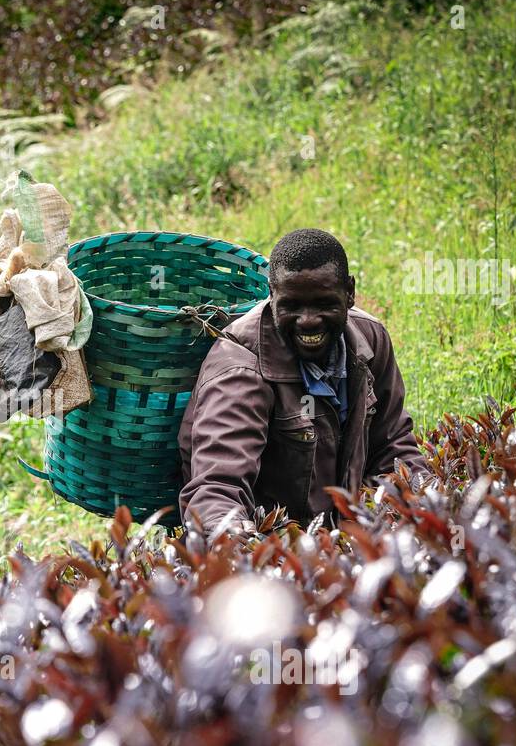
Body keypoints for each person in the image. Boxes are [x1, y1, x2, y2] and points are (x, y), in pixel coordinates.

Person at [178, 227, 424, 531]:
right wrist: (238, 545)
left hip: (344, 543)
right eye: (291, 306)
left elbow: (394, 445)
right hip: (281, 551)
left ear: (349, 293)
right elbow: (217, 487)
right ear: (271, 296)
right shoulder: (241, 369)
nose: (308, 321)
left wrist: (418, 504)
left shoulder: (370, 340)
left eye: (324, 304)